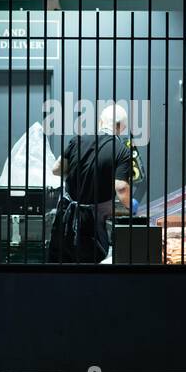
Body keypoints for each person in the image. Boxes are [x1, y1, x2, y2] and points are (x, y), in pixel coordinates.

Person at [47, 103, 133, 263]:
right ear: (121, 128)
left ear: (100, 122)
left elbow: (56, 169)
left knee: (58, 271)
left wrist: (76, 172)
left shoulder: (77, 141)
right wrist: (131, 207)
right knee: (89, 272)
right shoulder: (121, 151)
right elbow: (121, 188)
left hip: (64, 222)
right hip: (90, 228)